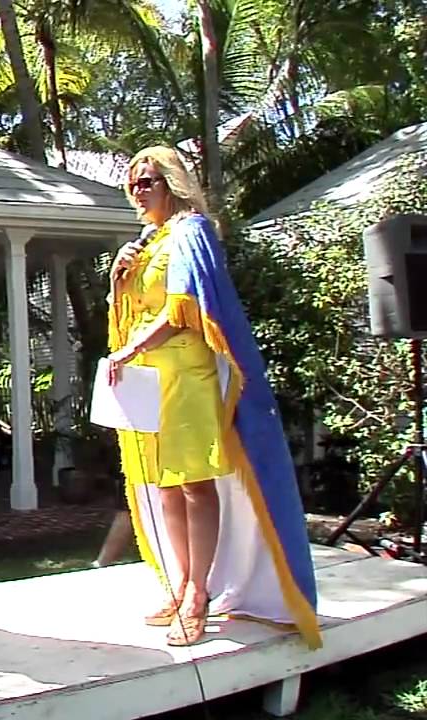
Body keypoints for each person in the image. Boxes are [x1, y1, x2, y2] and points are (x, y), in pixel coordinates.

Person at [106, 146, 320, 648]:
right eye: (134, 183)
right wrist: (119, 281)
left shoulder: (191, 231)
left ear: (172, 184)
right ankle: (179, 586)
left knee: (193, 484)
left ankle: (199, 596)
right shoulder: (147, 241)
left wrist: (136, 344)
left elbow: (186, 307)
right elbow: (130, 311)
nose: (139, 191)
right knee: (162, 488)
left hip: (187, 374)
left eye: (149, 181)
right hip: (146, 379)